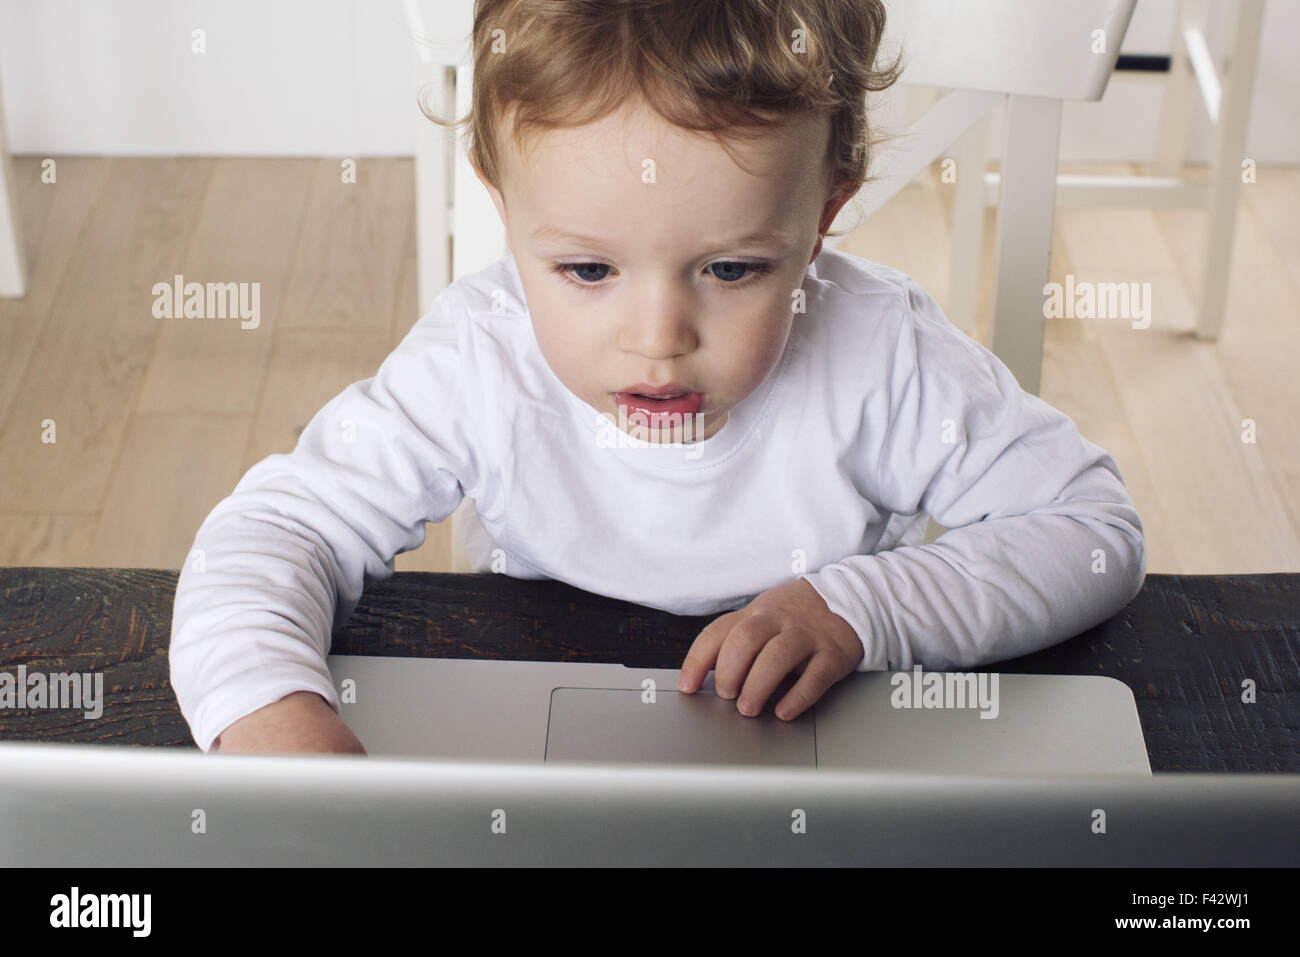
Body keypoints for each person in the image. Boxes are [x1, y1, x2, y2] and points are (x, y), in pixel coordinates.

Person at [170, 0, 1146, 754]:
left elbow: (1091, 533)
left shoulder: (879, 353)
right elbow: (279, 530)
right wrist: (270, 719)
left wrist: (863, 610)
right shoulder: (480, 356)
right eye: (587, 271)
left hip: (816, 735)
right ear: (505, 215)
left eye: (730, 270)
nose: (657, 341)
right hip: (537, 732)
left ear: (820, 220)